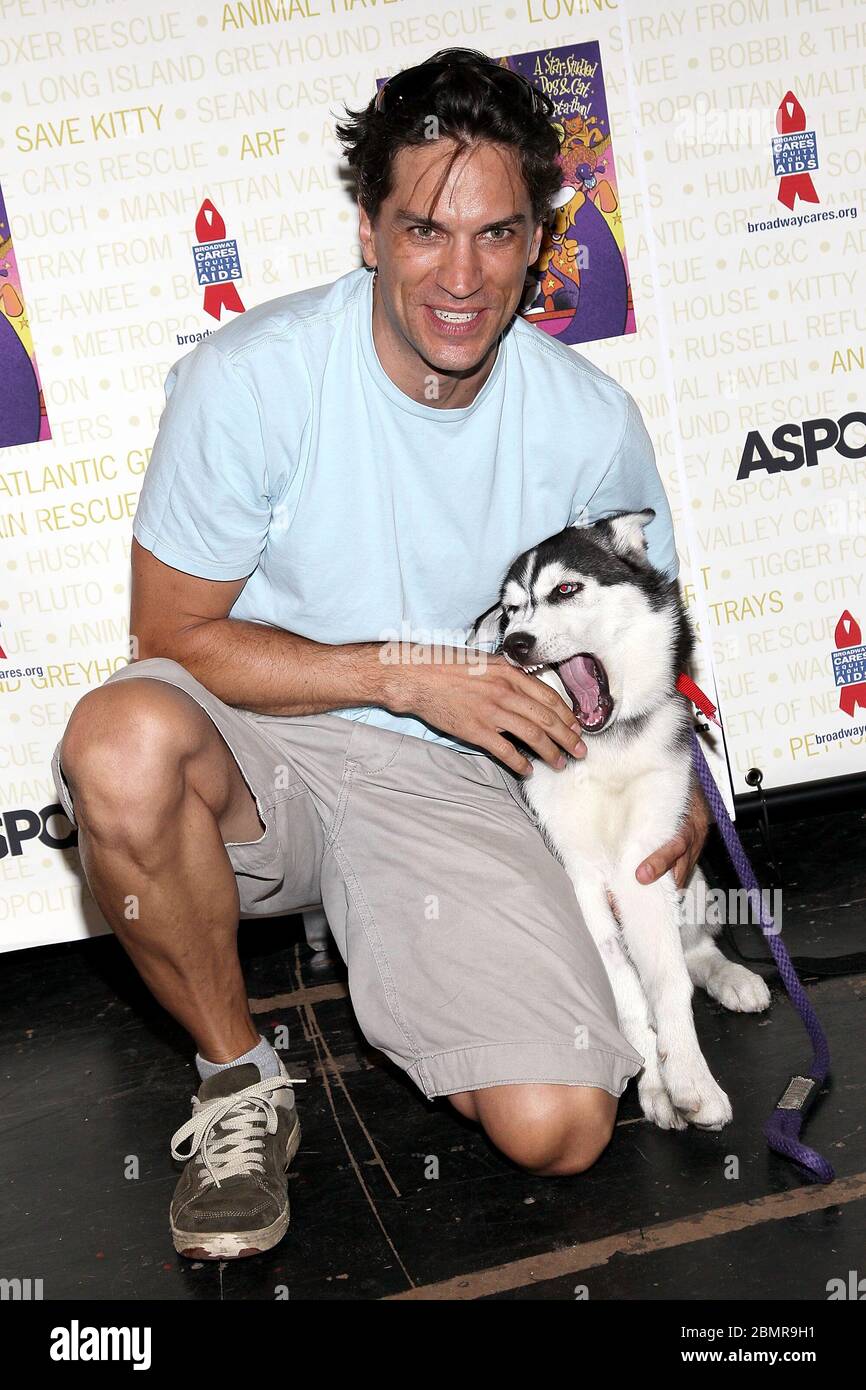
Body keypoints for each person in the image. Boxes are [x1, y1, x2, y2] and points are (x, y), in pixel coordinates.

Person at [51, 48, 710, 1261]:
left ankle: (411, 960)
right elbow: (170, 637)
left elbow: (649, 650)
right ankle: (238, 1079)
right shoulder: (248, 381)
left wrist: (684, 800)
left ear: (536, 243)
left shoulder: (586, 420)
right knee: (119, 737)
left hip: (453, 782)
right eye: (422, 230)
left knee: (559, 1129)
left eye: (496, 234)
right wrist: (400, 674)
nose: (459, 277)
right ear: (367, 231)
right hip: (262, 741)